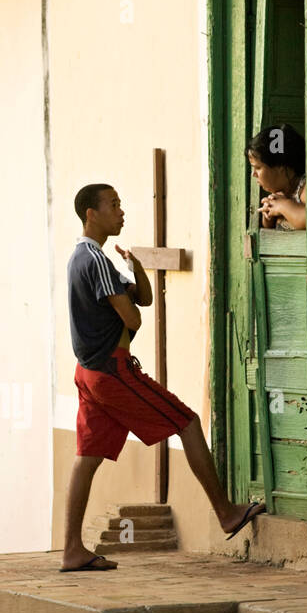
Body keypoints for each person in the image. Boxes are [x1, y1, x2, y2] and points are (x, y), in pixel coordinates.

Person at [60, 183, 266, 571]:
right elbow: (135, 317)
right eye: (114, 205)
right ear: (91, 213)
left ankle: (72, 549)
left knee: (86, 459)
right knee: (188, 422)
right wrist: (127, 294)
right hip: (112, 370)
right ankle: (225, 513)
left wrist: (136, 269)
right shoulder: (96, 262)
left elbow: (144, 297)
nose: (121, 212)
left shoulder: (82, 257)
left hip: (87, 373)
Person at [246, 123, 307, 231]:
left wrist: (283, 206)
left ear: (281, 167)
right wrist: (268, 216)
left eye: (258, 168)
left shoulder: (304, 189)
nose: (254, 174)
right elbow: (271, 226)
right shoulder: (281, 194)